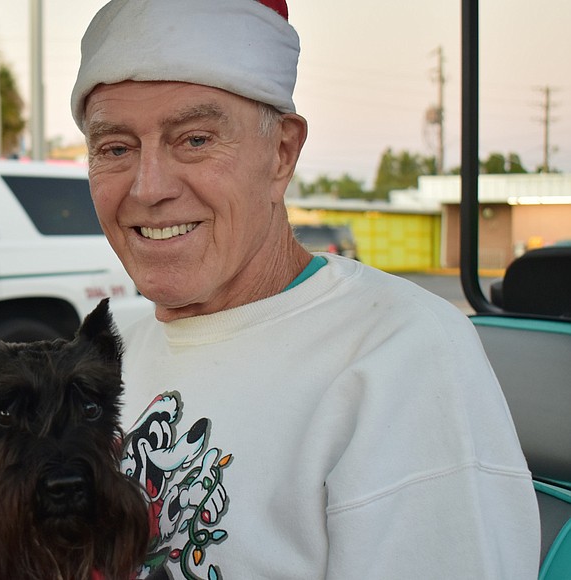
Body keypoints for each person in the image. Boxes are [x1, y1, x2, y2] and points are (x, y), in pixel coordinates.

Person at [70, 0, 540, 578]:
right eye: (115, 148)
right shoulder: (109, 353)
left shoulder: (400, 353)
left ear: (282, 152)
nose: (149, 188)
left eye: (194, 140)